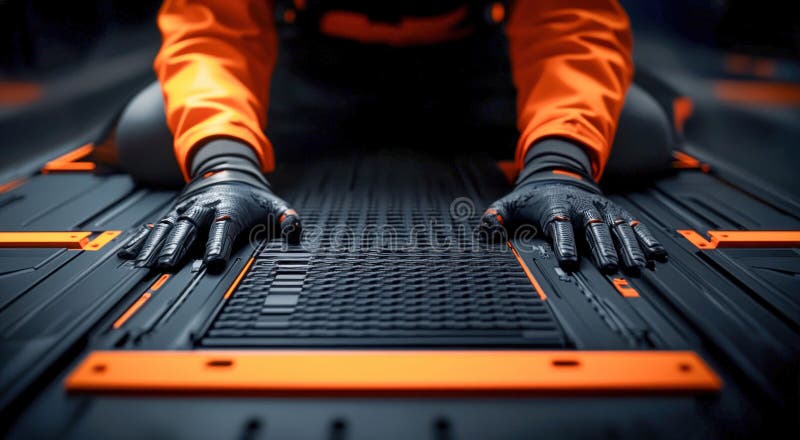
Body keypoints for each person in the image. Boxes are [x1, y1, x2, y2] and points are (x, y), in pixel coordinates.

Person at [117, 0, 669, 272]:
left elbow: (567, 20)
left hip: (463, 70)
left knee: (638, 134)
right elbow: (214, 27)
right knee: (149, 133)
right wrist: (224, 163)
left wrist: (560, 162)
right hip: (316, 70)